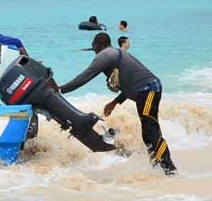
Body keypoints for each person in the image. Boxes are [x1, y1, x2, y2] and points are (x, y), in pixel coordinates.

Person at [55, 32, 176, 176]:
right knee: (148, 133)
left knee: (151, 132)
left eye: (94, 47)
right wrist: (114, 102)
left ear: (97, 45)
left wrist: (60, 89)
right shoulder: (114, 53)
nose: (94, 51)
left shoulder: (104, 55)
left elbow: (85, 77)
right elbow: (130, 82)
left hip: (149, 89)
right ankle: (158, 166)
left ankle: (170, 169)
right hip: (145, 90)